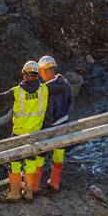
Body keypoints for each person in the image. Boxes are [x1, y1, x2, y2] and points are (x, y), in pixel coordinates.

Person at [0, 61, 49, 202]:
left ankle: (15, 193)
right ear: (37, 75)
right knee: (30, 162)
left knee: (15, 163)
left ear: (24, 74)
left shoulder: (17, 91)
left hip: (18, 134)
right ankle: (28, 194)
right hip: (35, 133)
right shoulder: (44, 90)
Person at [37, 54, 71, 192]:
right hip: (64, 122)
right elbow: (69, 101)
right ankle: (55, 182)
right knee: (59, 154)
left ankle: (34, 185)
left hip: (50, 127)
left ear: (43, 71)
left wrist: (43, 125)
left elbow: (48, 112)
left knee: (39, 154)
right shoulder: (65, 83)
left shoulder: (46, 89)